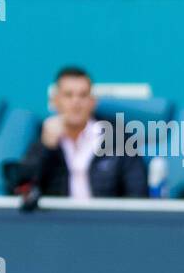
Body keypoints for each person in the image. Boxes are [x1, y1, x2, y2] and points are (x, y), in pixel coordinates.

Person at [18, 66, 148, 199]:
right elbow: (22, 190)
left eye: (83, 95)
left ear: (93, 101)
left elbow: (138, 194)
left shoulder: (117, 137)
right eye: (68, 95)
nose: (76, 102)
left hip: (107, 219)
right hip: (57, 219)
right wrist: (44, 148)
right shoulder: (42, 136)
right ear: (55, 101)